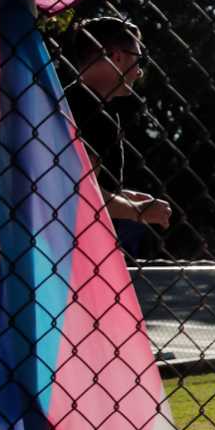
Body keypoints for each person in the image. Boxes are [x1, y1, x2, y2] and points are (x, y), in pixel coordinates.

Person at [65, 15, 172, 258]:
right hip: (76, 251)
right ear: (117, 57)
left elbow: (83, 185)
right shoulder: (92, 114)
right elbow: (82, 192)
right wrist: (137, 210)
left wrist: (125, 198)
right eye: (138, 59)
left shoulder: (70, 101)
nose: (140, 72)